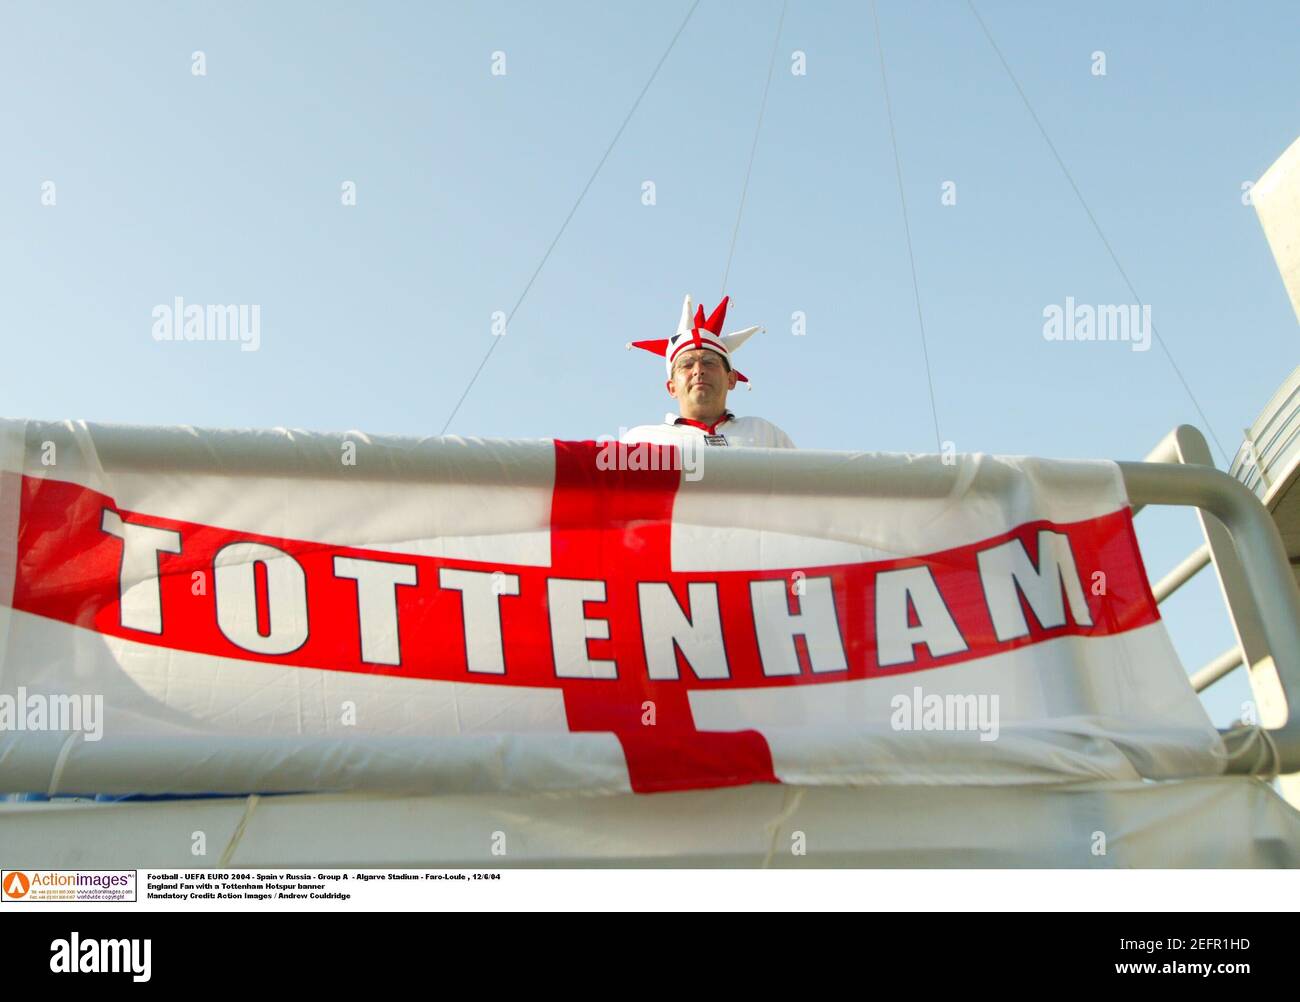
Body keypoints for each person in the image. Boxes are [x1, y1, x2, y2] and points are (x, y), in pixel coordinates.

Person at [621, 294, 796, 448]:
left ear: (731, 379)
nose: (698, 370)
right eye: (687, 365)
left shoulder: (765, 435)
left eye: (709, 362)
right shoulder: (642, 441)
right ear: (671, 387)